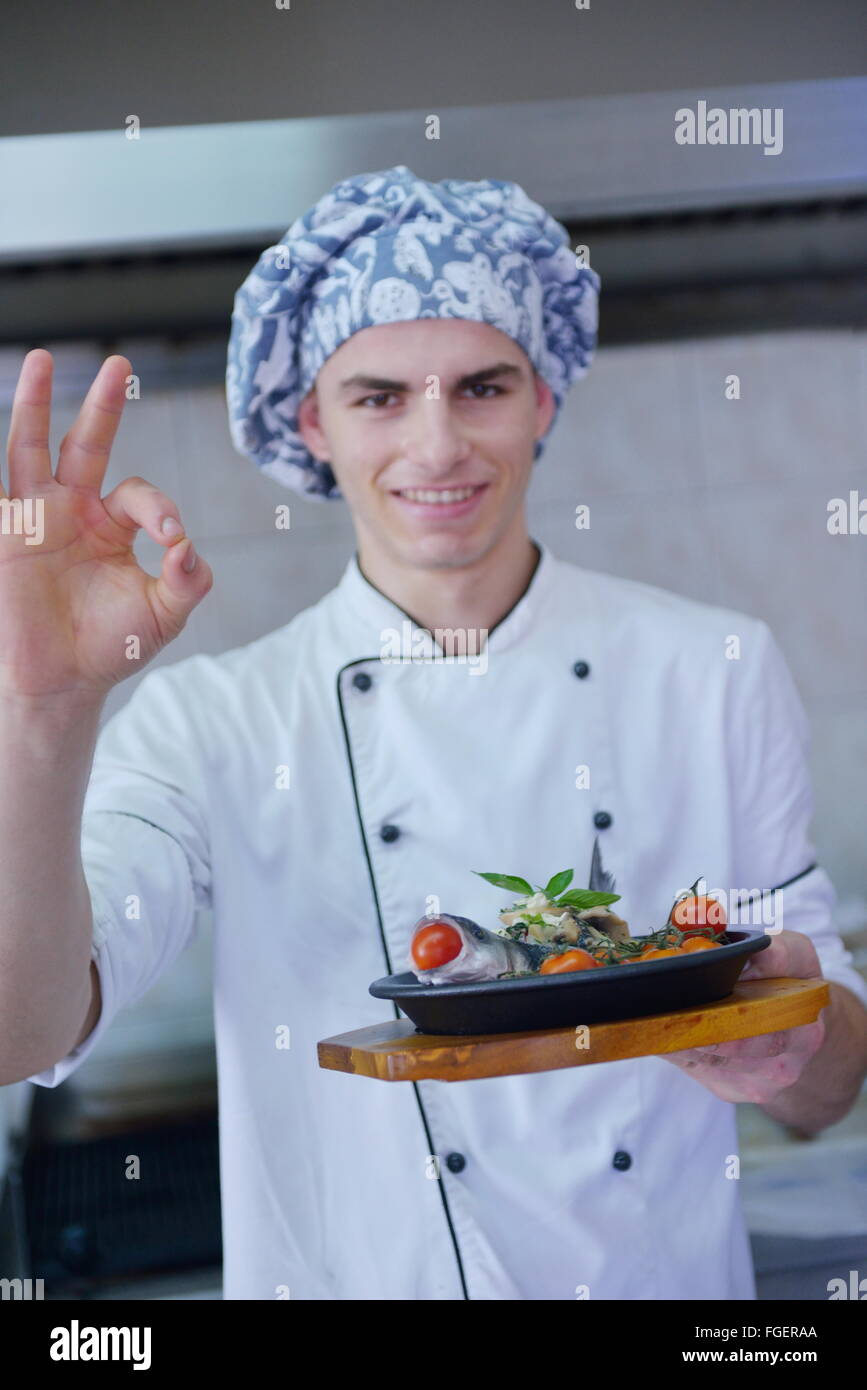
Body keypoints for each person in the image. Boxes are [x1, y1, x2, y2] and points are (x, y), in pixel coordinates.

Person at [2, 166, 865, 1302]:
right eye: (378, 396)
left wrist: (789, 1044)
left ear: (544, 395)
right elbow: (25, 1029)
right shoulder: (216, 720)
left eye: (481, 386)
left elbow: (831, 1085)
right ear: (312, 419)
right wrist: (45, 715)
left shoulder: (714, 668)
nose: (438, 443)